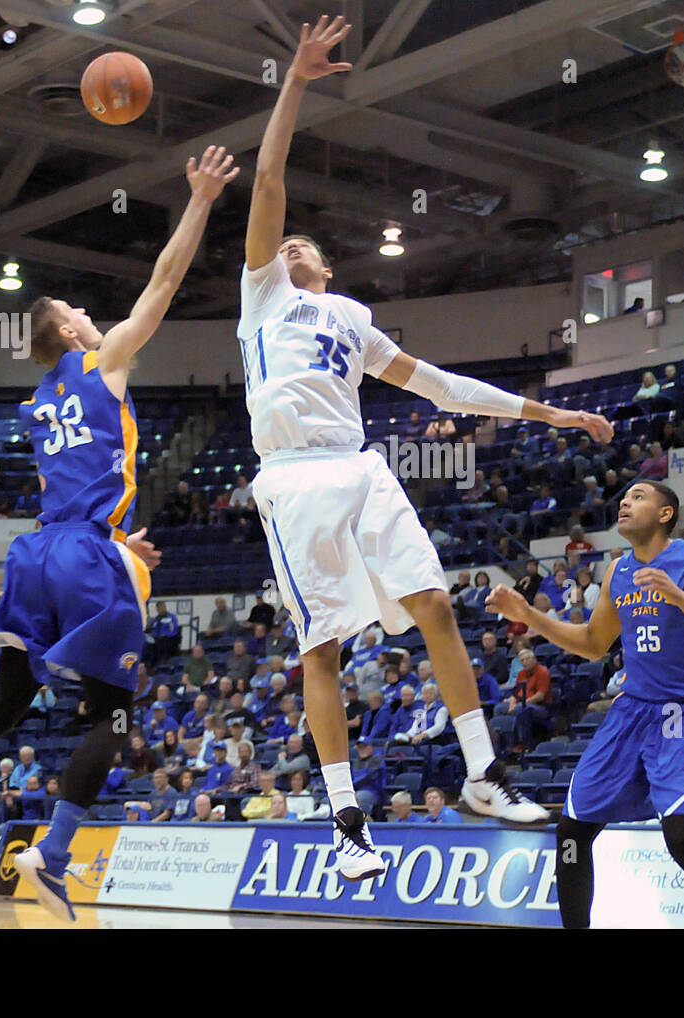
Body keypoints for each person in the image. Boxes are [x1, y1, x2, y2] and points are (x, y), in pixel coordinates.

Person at [237, 15, 613, 880]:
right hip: (293, 480)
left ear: (326, 268)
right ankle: (344, 821)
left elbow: (443, 387)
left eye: (304, 246)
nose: (290, 246)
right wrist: (295, 80)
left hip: (360, 465)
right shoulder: (263, 299)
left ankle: (483, 770)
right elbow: (266, 178)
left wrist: (550, 415)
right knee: (322, 649)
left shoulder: (353, 319)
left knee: (438, 606)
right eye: (284, 244)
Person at [0, 145, 238, 924]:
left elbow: (61, 491)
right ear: (73, 333)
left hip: (37, 551)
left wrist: (111, 546)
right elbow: (165, 283)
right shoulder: (101, 362)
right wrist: (201, 201)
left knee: (6, 701)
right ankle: (52, 854)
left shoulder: (38, 402)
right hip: (78, 552)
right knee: (114, 711)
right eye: (79, 312)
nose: (91, 315)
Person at [487, 480, 684, 929]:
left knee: (683, 837)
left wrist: (680, 598)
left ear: (666, 513)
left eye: (638, 496)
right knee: (571, 832)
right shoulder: (618, 571)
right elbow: (593, 644)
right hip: (632, 709)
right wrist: (532, 617)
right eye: (625, 497)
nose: (625, 503)